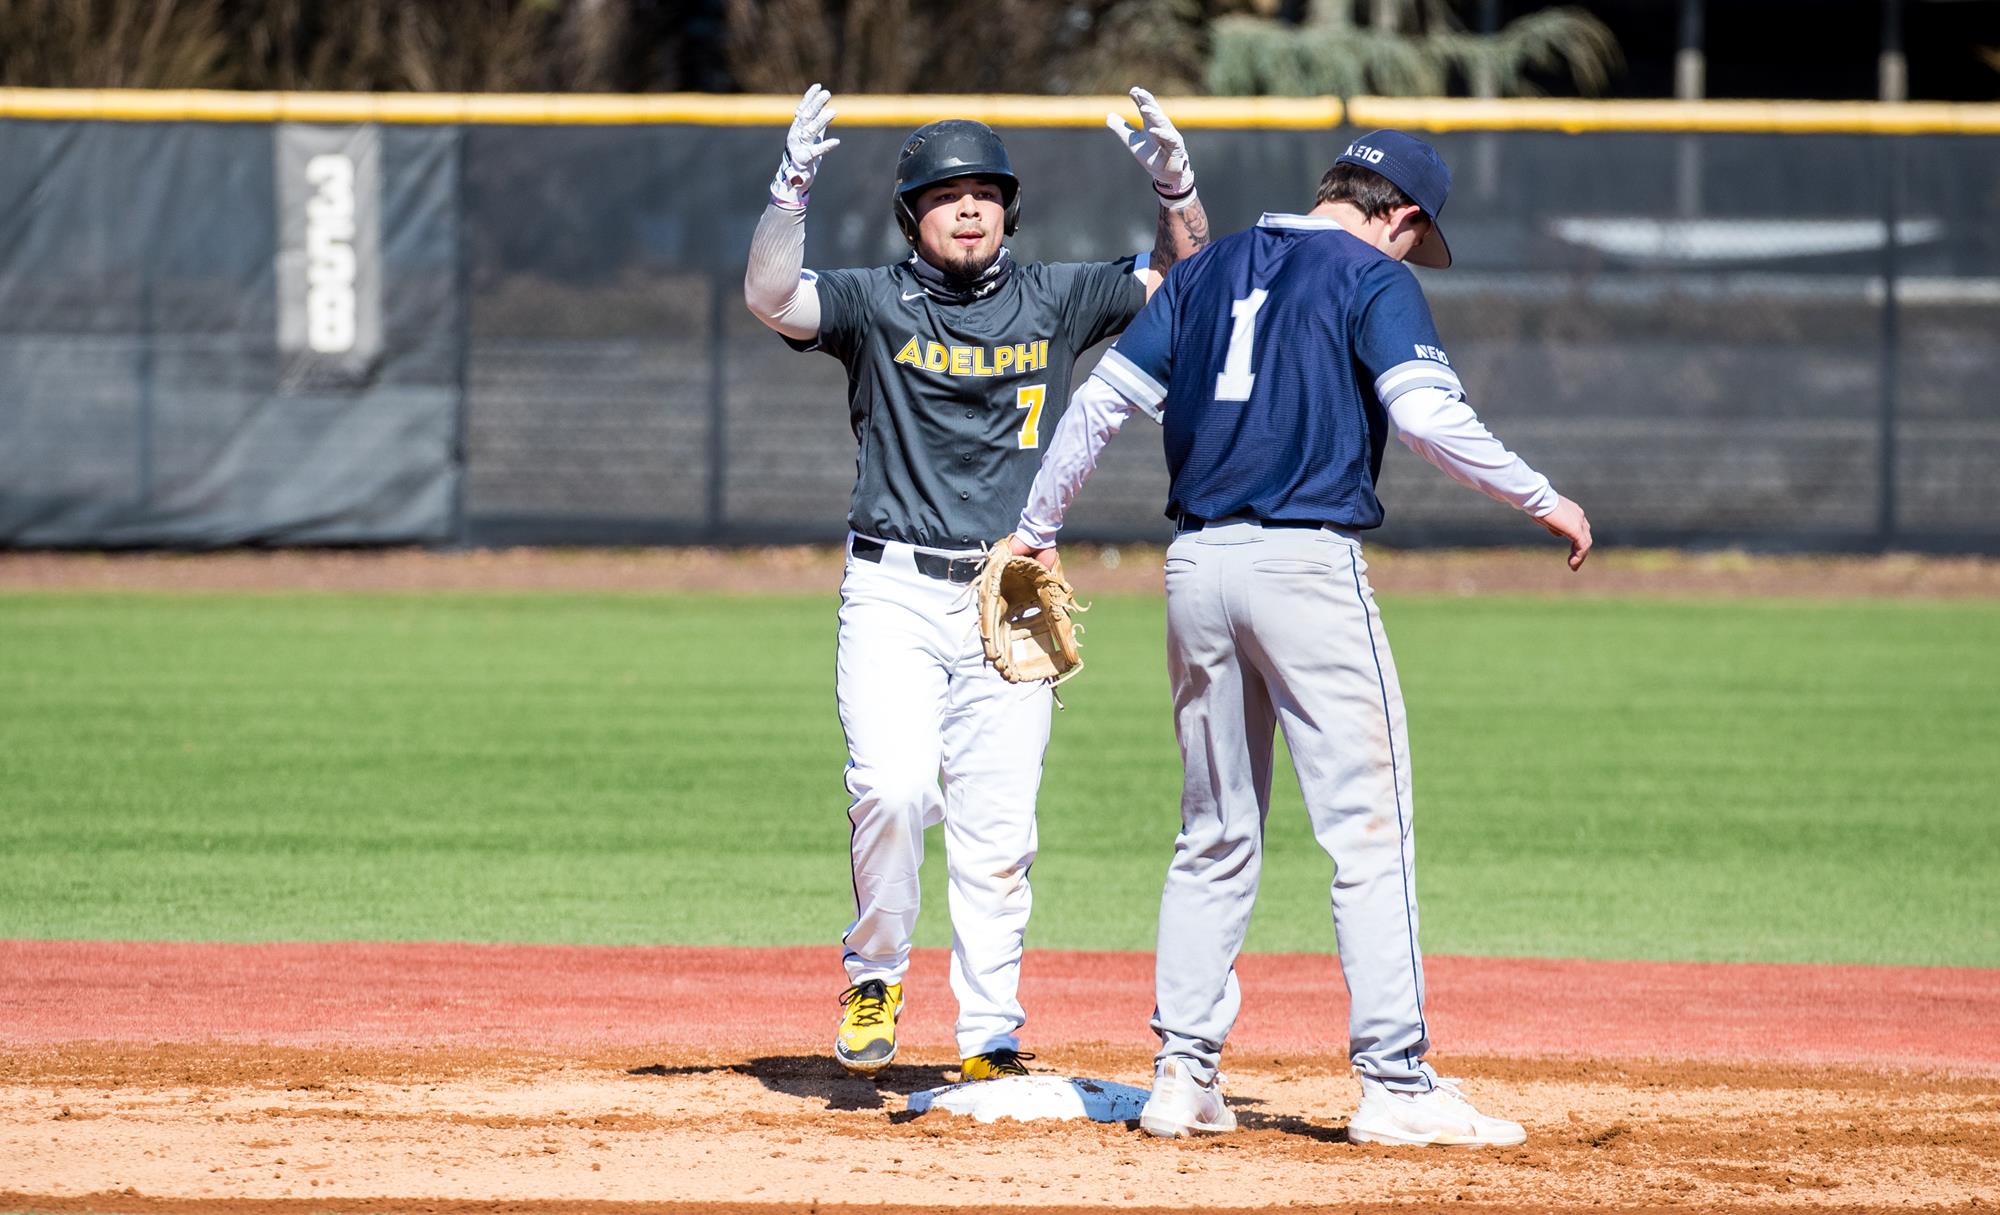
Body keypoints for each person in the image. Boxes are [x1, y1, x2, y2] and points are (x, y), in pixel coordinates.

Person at [1009, 130, 1591, 1144]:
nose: (1412, 255)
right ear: (1401, 215)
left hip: (1194, 569)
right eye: (1418, 237)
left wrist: (1034, 530)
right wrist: (1539, 496)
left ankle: (1181, 1077)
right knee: (1368, 828)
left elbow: (1098, 406)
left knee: (1214, 831)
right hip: (1304, 567)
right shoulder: (1369, 273)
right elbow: (1422, 416)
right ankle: (1395, 1084)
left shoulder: (1208, 268)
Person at [743, 84, 1211, 1081]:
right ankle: (873, 970)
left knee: (1001, 829)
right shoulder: (872, 301)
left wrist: (1176, 181)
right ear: (911, 214)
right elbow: (772, 299)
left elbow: (1187, 277)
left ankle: (989, 1034)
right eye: (944, 193)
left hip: (1015, 592)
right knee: (891, 786)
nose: (968, 208)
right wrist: (789, 190)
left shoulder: (1054, 295)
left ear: (1009, 209)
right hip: (893, 587)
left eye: (985, 192)